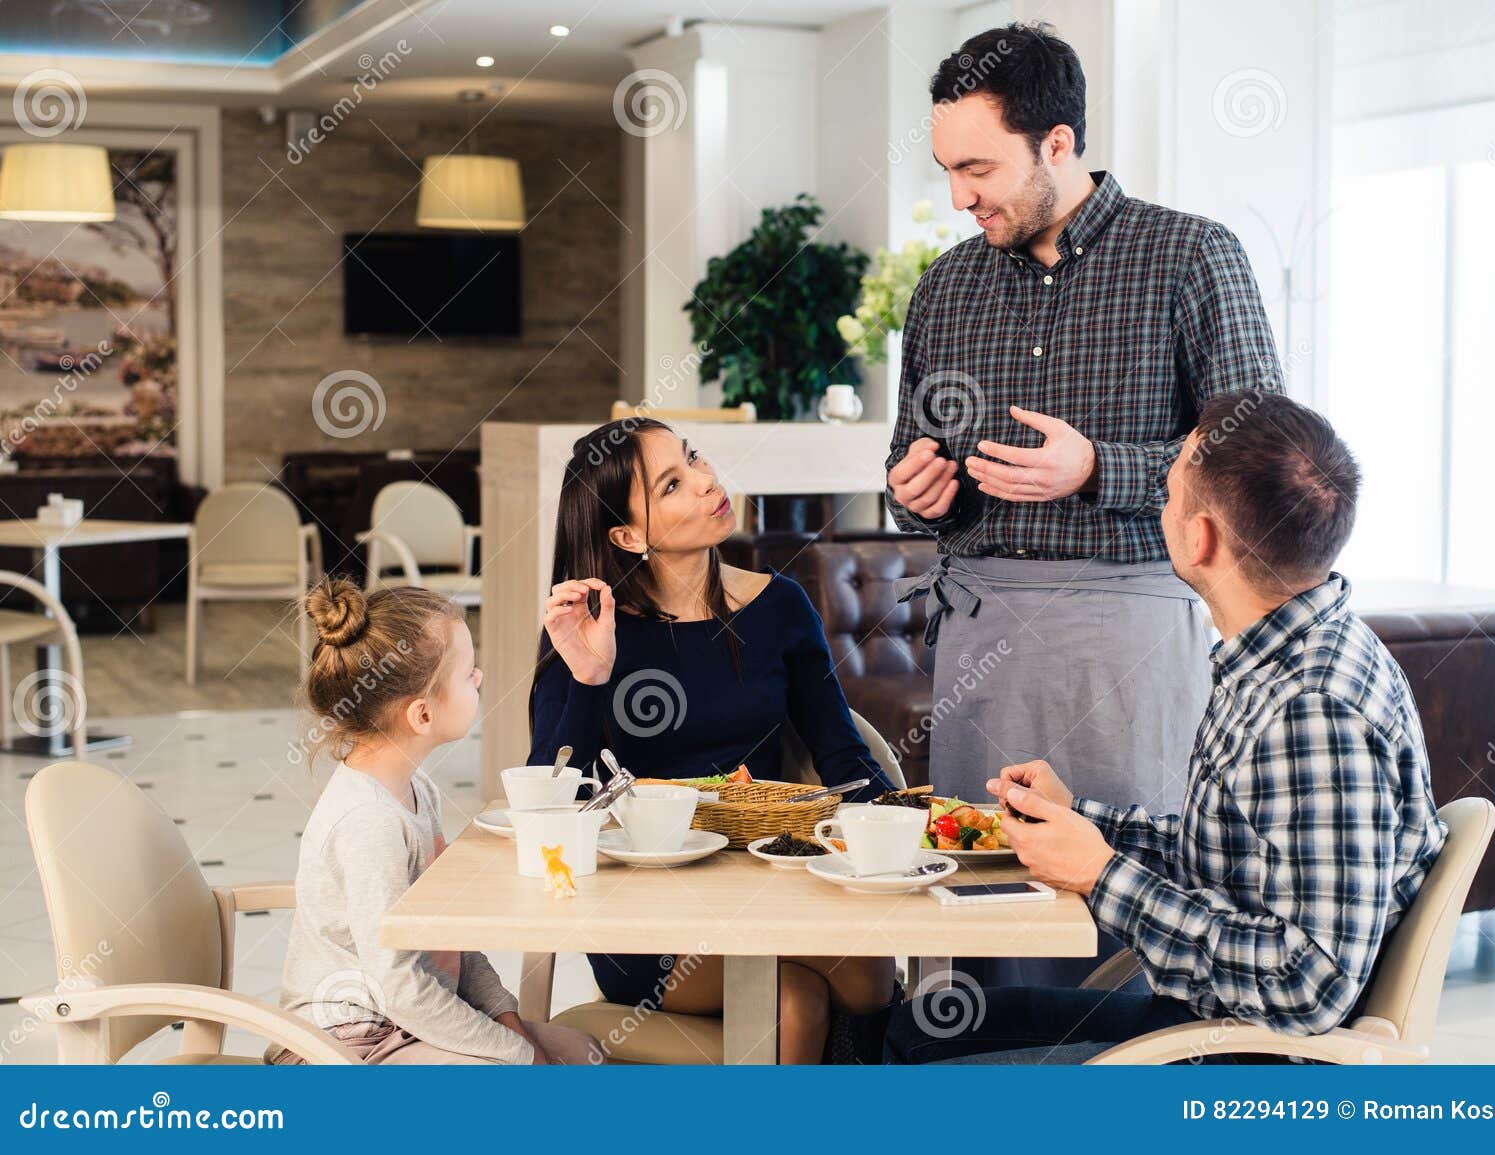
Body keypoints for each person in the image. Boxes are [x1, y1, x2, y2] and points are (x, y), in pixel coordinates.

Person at [887, 25, 1283, 987]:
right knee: (980, 902)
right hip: (978, 634)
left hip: (1132, 636)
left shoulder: (1193, 257)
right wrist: (913, 492)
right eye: (947, 169)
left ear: (1057, 144)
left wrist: (1099, 467)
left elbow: (1262, 459)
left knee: (1124, 913)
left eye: (978, 167)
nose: (959, 197)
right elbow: (905, 462)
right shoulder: (944, 287)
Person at [886, 391, 1448, 1063]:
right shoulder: (1282, 652)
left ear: (1199, 536)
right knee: (913, 1028)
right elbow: (1235, 858)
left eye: (1170, 490)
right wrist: (1086, 823)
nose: (1160, 505)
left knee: (919, 1061)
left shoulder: (1313, 708)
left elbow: (1310, 984)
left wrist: (1101, 873)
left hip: (1243, 1062)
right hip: (1210, 1021)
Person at [529, 417, 897, 1063]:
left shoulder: (780, 604)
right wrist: (588, 676)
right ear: (628, 534)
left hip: (765, 876)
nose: (706, 482)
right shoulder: (588, 628)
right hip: (647, 908)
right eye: (673, 483)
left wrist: (915, 829)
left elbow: (842, 754)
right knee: (818, 994)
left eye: (694, 459)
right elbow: (549, 808)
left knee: (852, 976)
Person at [272, 578, 600, 1065]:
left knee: (582, 1052)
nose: (480, 677)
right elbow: (398, 985)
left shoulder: (416, 790)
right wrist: (519, 1055)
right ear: (422, 715)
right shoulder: (370, 823)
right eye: (468, 673)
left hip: (407, 1020)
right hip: (339, 1047)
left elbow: (454, 941)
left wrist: (511, 1026)